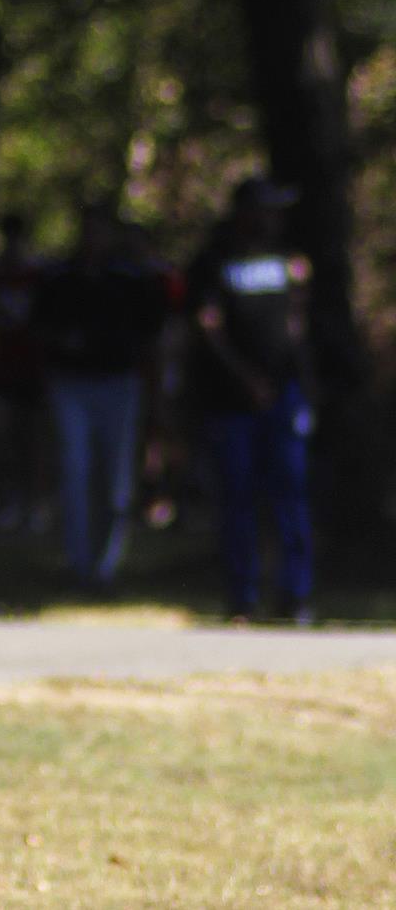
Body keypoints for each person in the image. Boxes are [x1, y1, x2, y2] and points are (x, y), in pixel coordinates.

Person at [185, 176, 316, 623]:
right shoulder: (214, 259)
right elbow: (207, 327)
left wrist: (296, 381)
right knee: (237, 498)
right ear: (246, 212)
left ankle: (294, 596)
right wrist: (247, 380)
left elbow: (297, 322)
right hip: (230, 402)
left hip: (284, 397)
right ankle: (242, 598)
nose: (275, 218)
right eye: (268, 209)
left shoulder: (290, 258)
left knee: (290, 495)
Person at [32, 202, 169, 591]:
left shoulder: (130, 280)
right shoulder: (59, 277)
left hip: (119, 385)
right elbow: (39, 331)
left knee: (115, 479)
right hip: (70, 384)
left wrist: (157, 395)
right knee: (75, 470)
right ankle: (78, 565)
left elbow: (152, 338)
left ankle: (104, 566)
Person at [0, 213, 48, 531]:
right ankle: (8, 499)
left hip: (33, 368)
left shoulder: (39, 276)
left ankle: (34, 503)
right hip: (1, 368)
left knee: (32, 438)